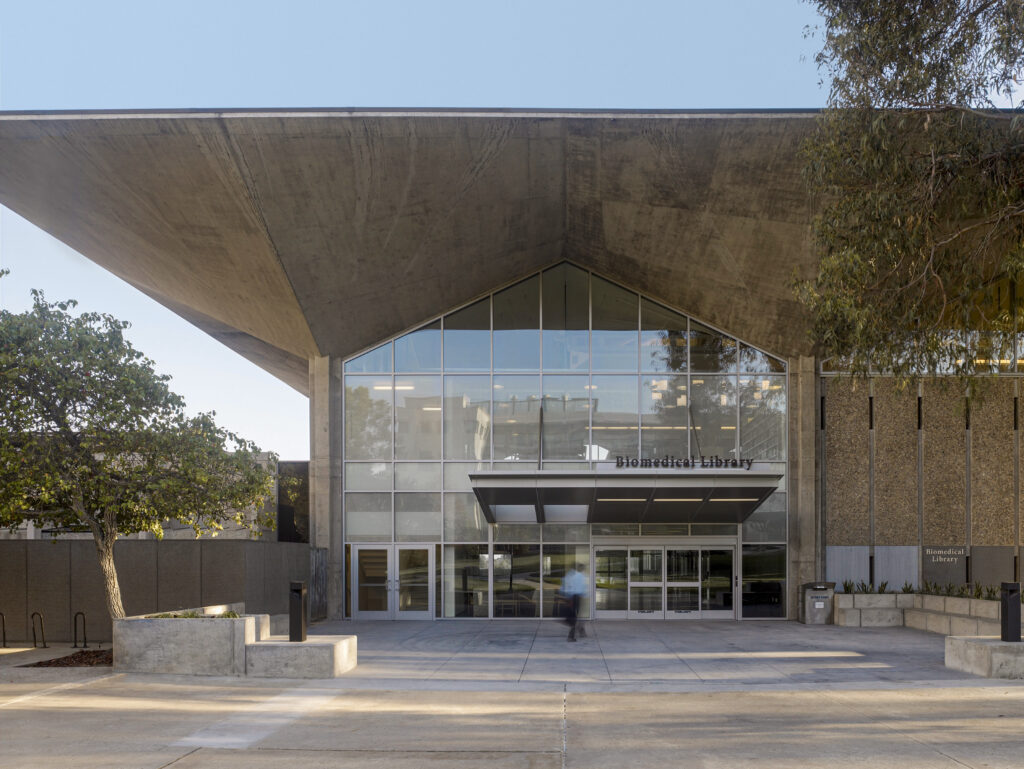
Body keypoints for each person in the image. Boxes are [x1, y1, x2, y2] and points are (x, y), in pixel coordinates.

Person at [561, 562, 588, 641]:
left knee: (575, 616)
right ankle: (571, 635)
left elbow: (566, 586)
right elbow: (580, 588)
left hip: (573, 597)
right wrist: (585, 595)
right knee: (575, 616)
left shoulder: (573, 575)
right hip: (576, 597)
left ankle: (578, 630)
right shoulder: (580, 576)